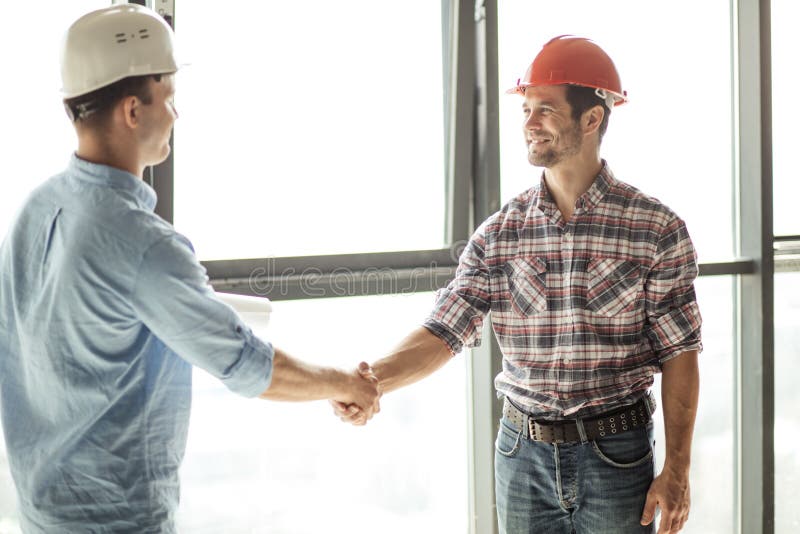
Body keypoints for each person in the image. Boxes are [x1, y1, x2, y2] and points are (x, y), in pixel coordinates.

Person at [0, 5, 380, 532]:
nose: (176, 115)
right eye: (170, 98)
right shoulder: (142, 243)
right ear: (132, 110)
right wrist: (347, 383)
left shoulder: (34, 209)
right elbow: (249, 367)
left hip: (40, 514)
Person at [334, 36, 702, 534]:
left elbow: (680, 352)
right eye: (526, 109)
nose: (529, 124)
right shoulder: (499, 234)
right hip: (520, 455)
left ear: (592, 119)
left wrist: (677, 469)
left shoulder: (655, 230)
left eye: (545, 110)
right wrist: (373, 380)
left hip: (617, 455)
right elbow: (445, 329)